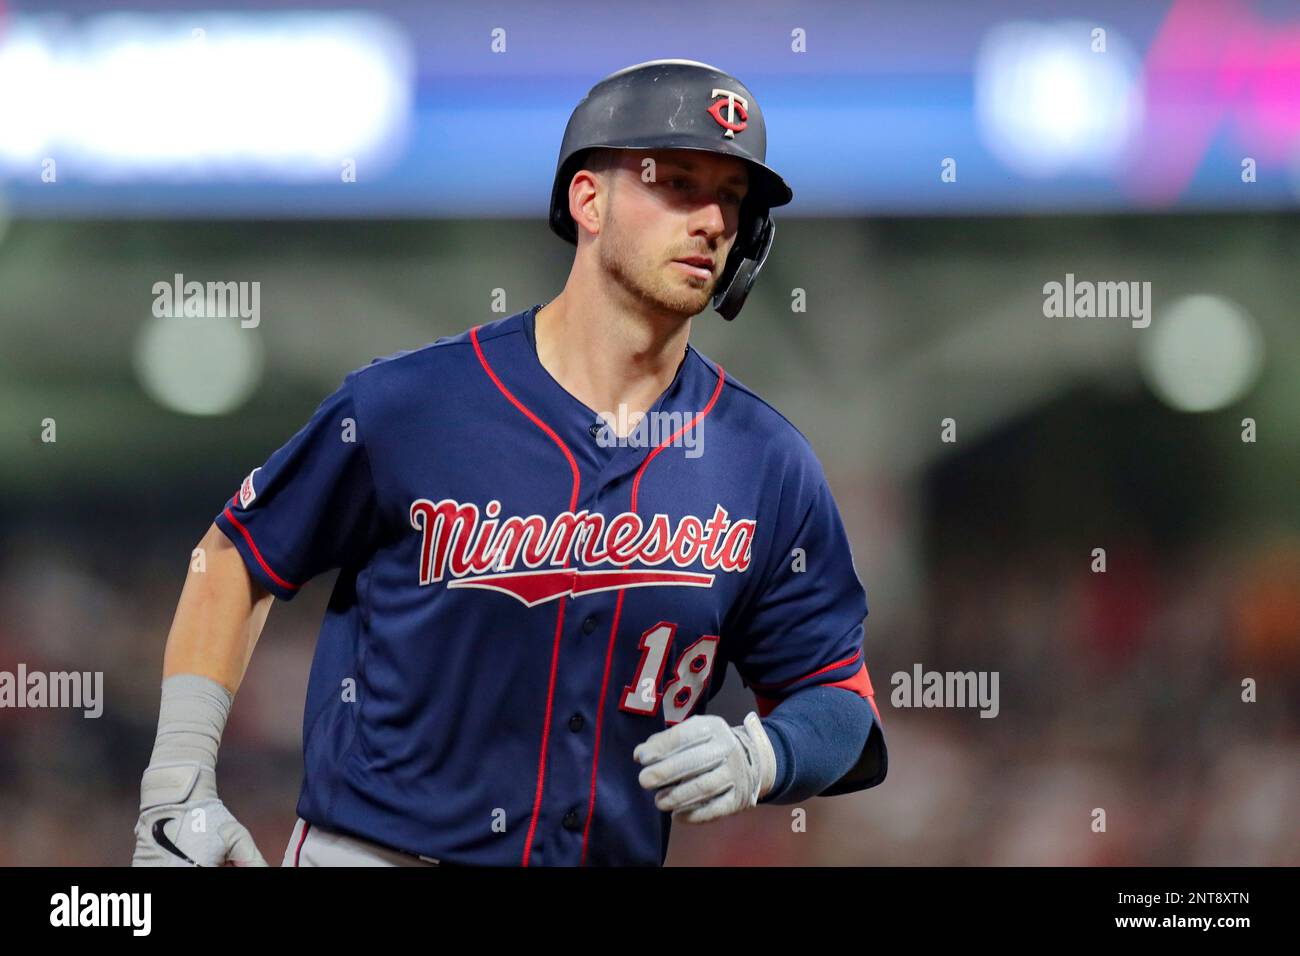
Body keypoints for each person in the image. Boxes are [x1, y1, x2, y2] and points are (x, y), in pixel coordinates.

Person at [132, 59, 886, 868]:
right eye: (676, 182)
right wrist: (179, 781)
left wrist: (766, 756)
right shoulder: (412, 405)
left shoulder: (765, 463)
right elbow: (235, 557)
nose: (709, 219)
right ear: (587, 199)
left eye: (732, 200)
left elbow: (843, 705)